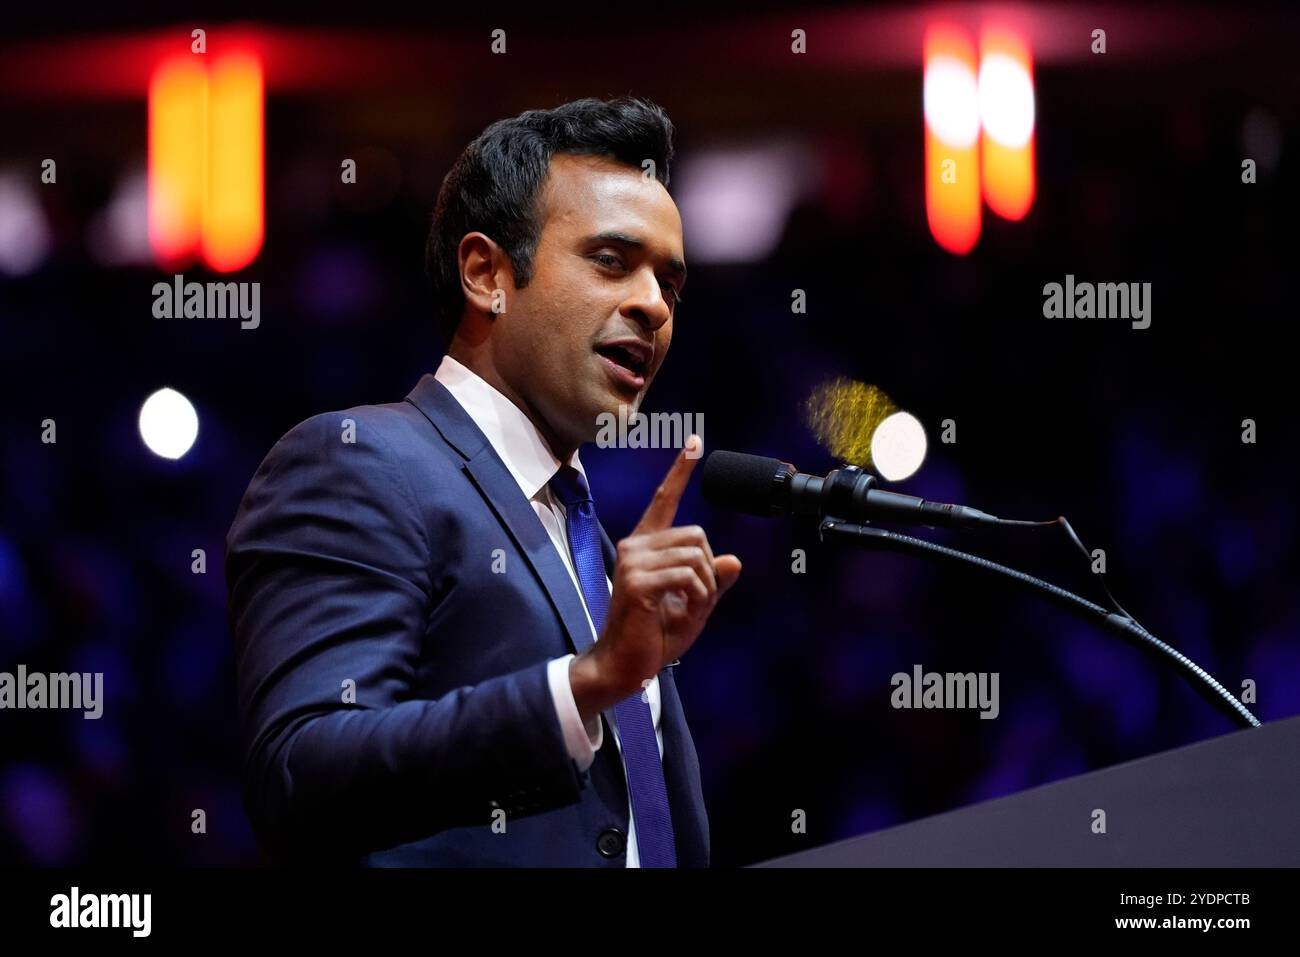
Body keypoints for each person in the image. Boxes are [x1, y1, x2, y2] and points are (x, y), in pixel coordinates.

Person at [225, 96, 742, 867]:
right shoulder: (360, 460)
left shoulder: (591, 539)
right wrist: (584, 683)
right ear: (485, 273)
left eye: (670, 283)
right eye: (611, 261)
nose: (652, 305)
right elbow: (302, 770)